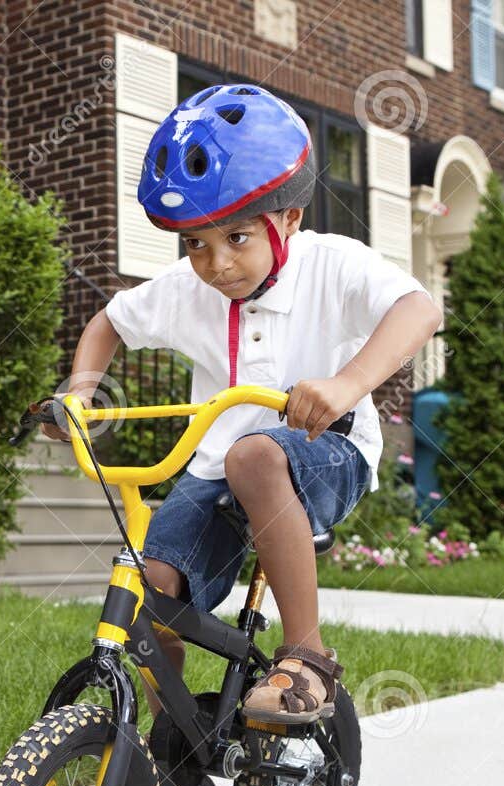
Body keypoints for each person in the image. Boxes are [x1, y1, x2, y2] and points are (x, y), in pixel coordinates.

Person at [48, 82, 441, 727]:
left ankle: (309, 657)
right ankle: (169, 741)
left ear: (288, 219)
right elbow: (108, 323)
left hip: (326, 451)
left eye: (235, 237)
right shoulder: (185, 288)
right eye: (196, 243)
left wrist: (345, 385)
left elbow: (419, 310)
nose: (216, 263)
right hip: (212, 467)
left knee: (256, 456)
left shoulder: (331, 264)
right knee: (152, 590)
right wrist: (82, 389)